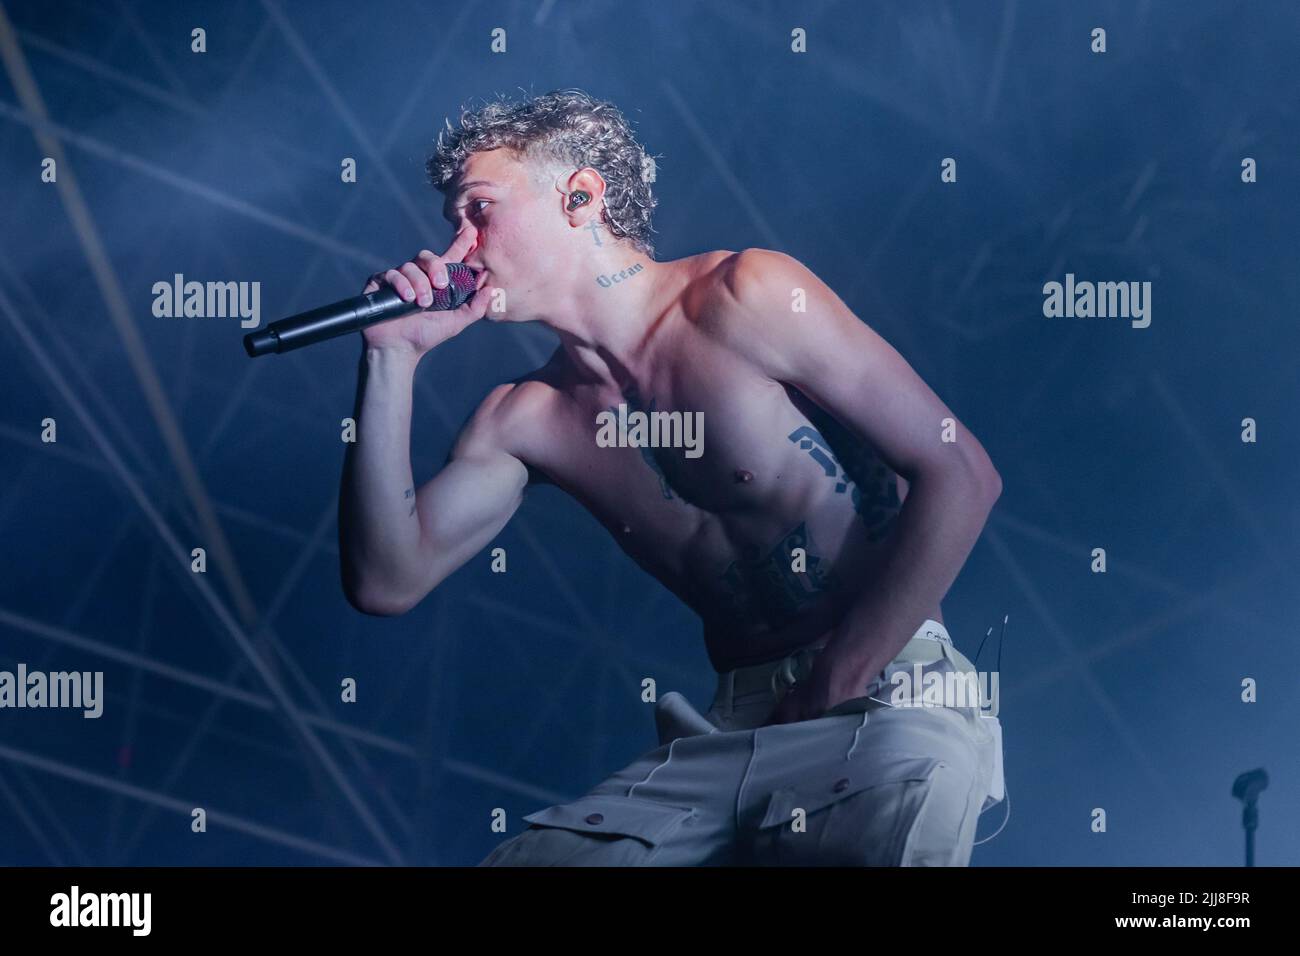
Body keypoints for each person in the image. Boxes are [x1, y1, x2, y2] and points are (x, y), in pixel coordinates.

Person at [338, 88, 1004, 866]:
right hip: (736, 725)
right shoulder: (523, 418)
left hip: (889, 682)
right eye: (452, 220)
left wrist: (841, 675)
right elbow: (386, 580)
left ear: (581, 197)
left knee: (890, 816)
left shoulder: (744, 295)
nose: (457, 246)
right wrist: (390, 359)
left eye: (478, 210)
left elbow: (961, 472)